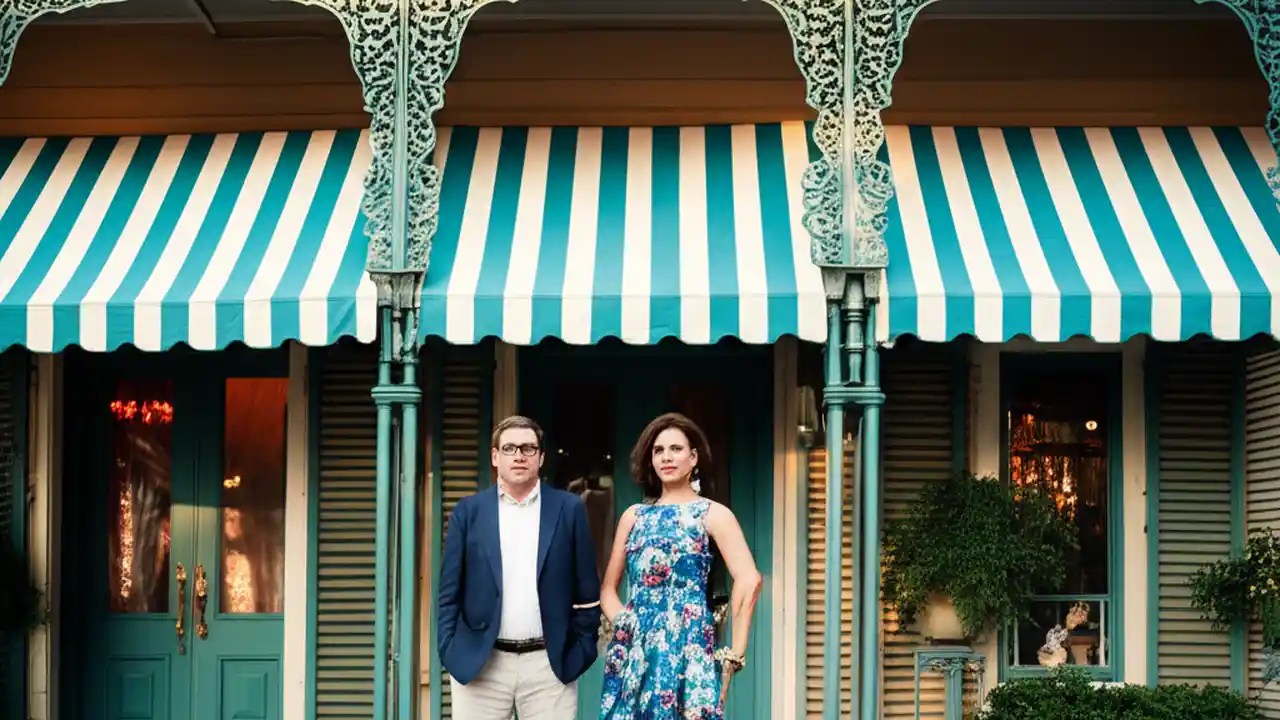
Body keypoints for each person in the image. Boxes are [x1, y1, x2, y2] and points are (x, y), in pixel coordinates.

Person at [598, 412, 764, 719]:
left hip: (689, 645)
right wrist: (626, 622)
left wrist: (734, 654)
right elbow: (608, 589)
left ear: (693, 457)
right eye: (658, 450)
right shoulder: (633, 516)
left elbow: (749, 579)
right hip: (636, 648)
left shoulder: (713, 514)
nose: (666, 457)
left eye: (676, 449)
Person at [437, 415, 602, 720]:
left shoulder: (569, 509)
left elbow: (587, 590)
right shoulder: (468, 512)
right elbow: (449, 593)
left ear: (540, 458)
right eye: (510, 448)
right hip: (481, 666)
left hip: (549, 666)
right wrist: (450, 650)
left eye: (528, 448)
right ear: (495, 456)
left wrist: (581, 651)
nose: (519, 456)